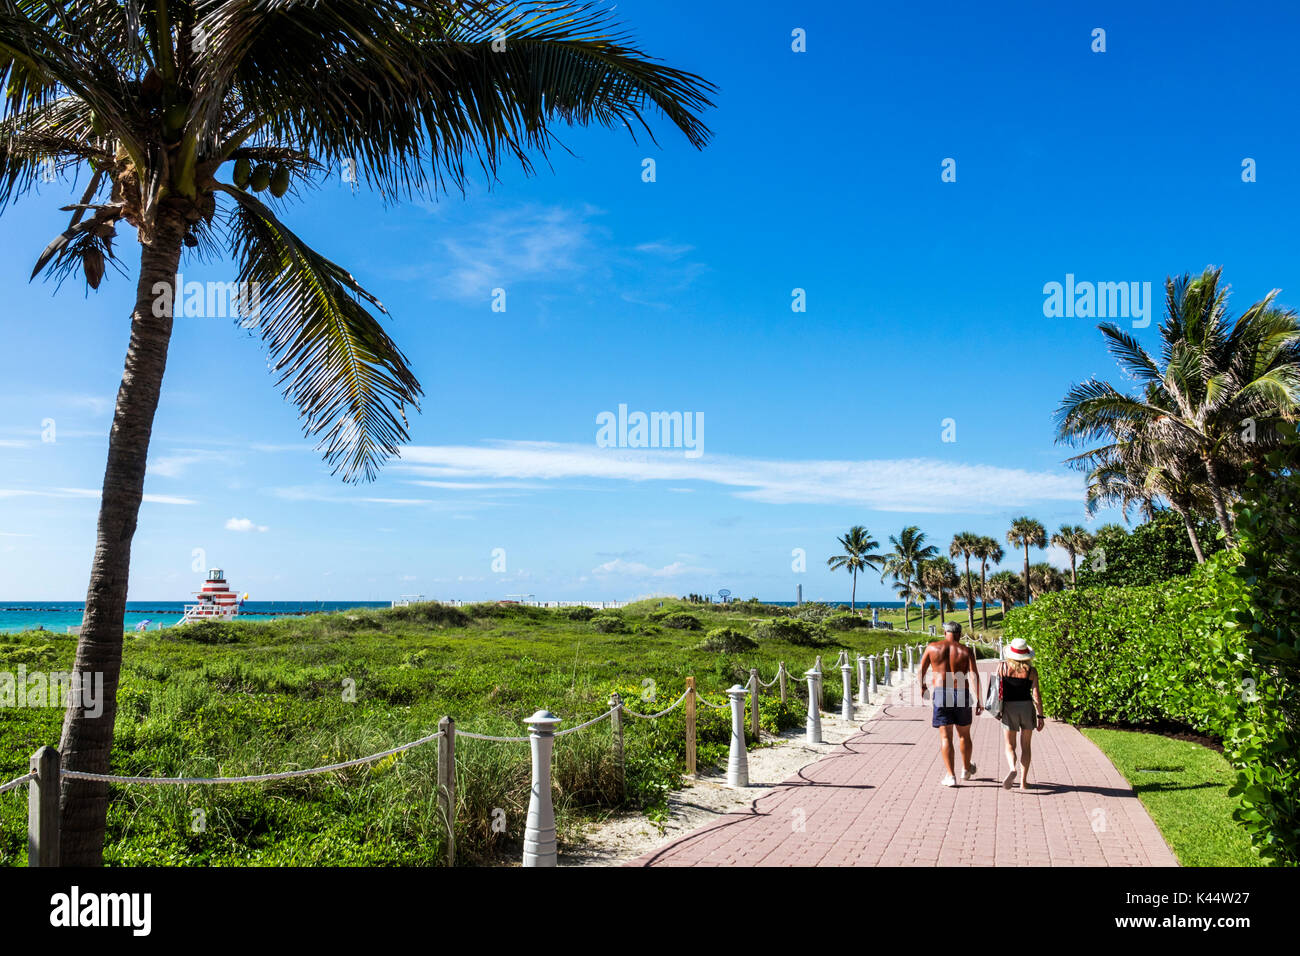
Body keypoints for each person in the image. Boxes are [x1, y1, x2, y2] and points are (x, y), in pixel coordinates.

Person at [918, 620, 982, 787]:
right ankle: (966, 769)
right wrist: (979, 699)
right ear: (959, 634)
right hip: (961, 692)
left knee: (946, 737)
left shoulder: (932, 647)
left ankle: (951, 775)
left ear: (945, 632)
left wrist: (922, 687)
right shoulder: (966, 650)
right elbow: (974, 675)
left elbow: (921, 670)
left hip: (941, 693)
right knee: (964, 735)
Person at [997, 638, 1045, 789]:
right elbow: (1036, 696)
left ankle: (1012, 768)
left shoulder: (1002, 667)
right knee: (1026, 746)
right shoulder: (1032, 671)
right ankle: (1023, 782)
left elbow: (996, 690)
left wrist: (997, 709)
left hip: (1009, 708)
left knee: (1010, 745)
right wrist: (1040, 716)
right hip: (1026, 708)